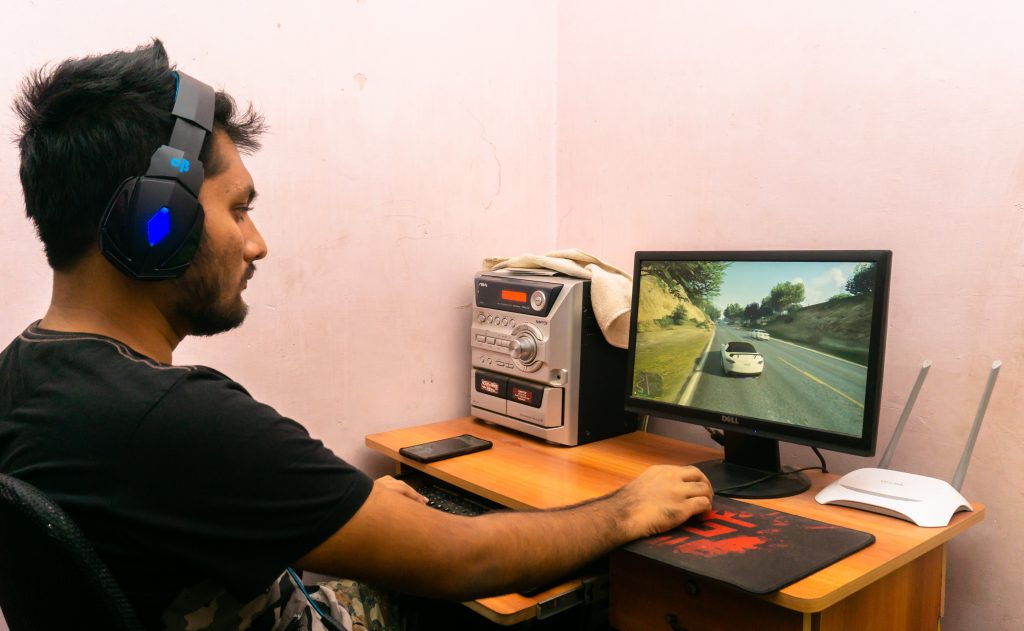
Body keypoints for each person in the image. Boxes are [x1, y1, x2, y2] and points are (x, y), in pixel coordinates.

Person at [0, 40, 713, 630]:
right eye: (239, 210)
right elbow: (467, 558)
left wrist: (357, 513)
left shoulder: (22, 373)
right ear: (153, 221)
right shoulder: (179, 421)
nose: (257, 244)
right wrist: (623, 507)